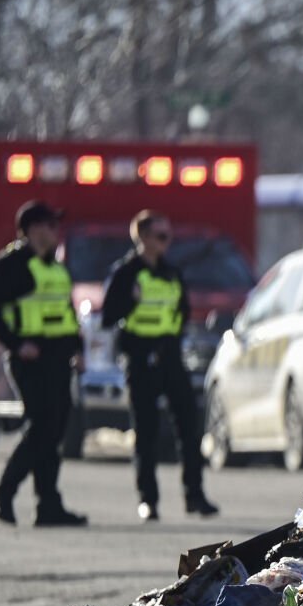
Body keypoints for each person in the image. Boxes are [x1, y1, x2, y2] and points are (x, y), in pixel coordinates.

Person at [100, 210, 218, 521]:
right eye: (160, 235)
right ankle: (148, 500)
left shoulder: (172, 272)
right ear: (142, 237)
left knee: (189, 427)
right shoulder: (125, 273)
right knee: (147, 431)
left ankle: (195, 495)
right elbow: (108, 316)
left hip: (170, 357)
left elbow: (182, 311)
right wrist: (132, 301)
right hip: (140, 359)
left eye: (168, 235)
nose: (166, 242)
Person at [0, 201, 87, 526]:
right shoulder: (11, 265)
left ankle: (48, 505)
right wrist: (16, 343)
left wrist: (78, 349)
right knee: (42, 427)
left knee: (53, 430)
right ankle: (5, 491)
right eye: (49, 225)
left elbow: (66, 313)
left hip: (58, 359)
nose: (55, 232)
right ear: (32, 229)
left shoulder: (55, 267)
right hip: (30, 360)